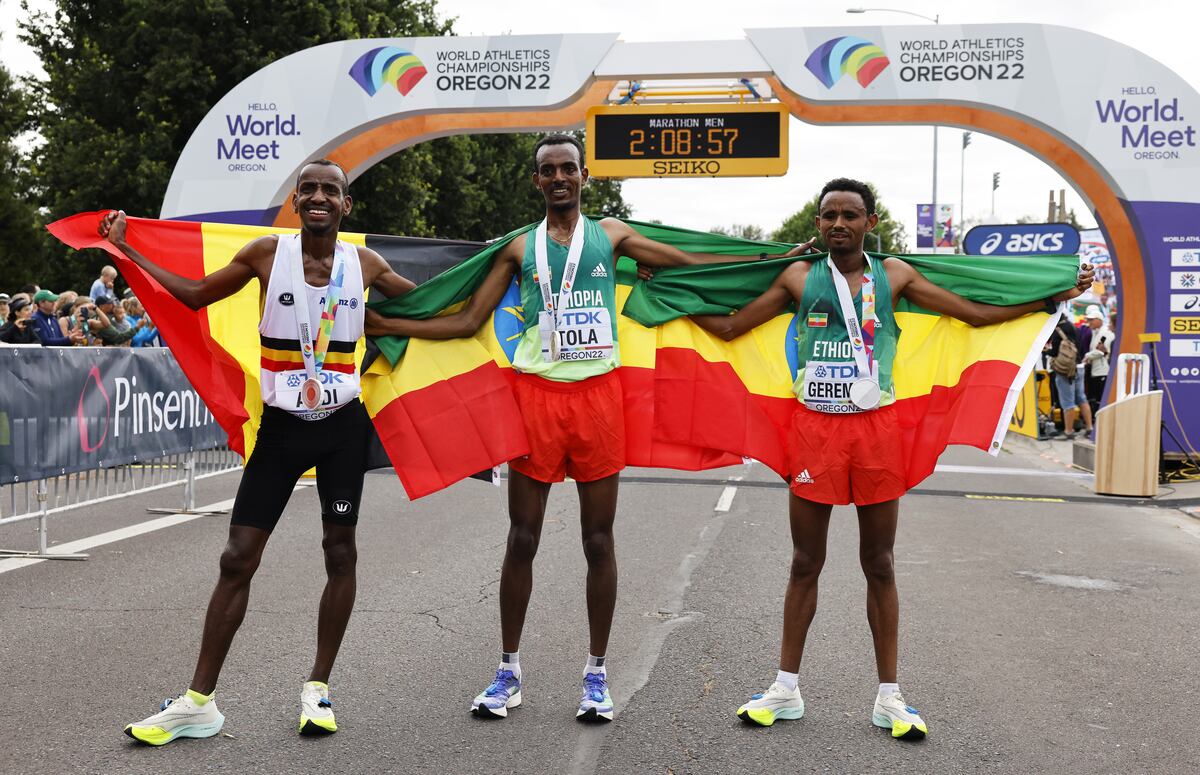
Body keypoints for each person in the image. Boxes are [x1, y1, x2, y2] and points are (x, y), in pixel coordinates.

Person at [366, 133, 808, 723]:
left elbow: (694, 263)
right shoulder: (518, 249)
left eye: (567, 169)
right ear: (536, 182)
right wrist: (379, 320)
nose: (558, 178)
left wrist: (774, 259)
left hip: (598, 399)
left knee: (598, 540)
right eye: (547, 170)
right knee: (522, 538)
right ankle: (507, 671)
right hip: (536, 398)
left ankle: (596, 675)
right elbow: (469, 318)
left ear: (583, 177)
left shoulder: (615, 237)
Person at [685, 178, 1092, 739]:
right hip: (816, 432)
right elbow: (732, 326)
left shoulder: (894, 274)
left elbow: (972, 314)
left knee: (879, 563)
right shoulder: (798, 278)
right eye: (828, 215)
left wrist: (1049, 299)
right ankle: (785, 688)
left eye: (850, 214)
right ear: (818, 222)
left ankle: (890, 698)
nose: (838, 224)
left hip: (876, 431)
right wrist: (665, 300)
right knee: (806, 562)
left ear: (870, 222)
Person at [98, 159, 418, 745]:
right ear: (296, 202)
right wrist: (127, 253)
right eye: (309, 189)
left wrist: (505, 275)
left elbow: (429, 303)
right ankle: (198, 704)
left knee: (340, 552)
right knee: (237, 556)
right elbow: (195, 296)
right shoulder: (266, 254)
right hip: (282, 429)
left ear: (347, 206)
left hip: (343, 426)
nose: (319, 196)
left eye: (331, 190)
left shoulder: (364, 265)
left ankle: (317, 690)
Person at [1048, 314, 1093, 439]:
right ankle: (1089, 428)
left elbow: (1055, 352)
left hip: (1066, 371)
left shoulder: (1058, 331)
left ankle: (1068, 431)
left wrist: (1045, 350)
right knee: (1082, 398)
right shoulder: (1074, 327)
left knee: (1067, 402)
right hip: (1079, 367)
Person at [1083, 304, 1113, 414]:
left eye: (1091, 320)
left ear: (1099, 320)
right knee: (1096, 397)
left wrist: (1086, 357)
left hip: (1103, 370)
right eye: (1088, 320)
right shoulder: (1095, 332)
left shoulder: (1105, 332)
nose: (1089, 323)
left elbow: (1101, 351)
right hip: (1096, 370)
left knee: (1101, 397)